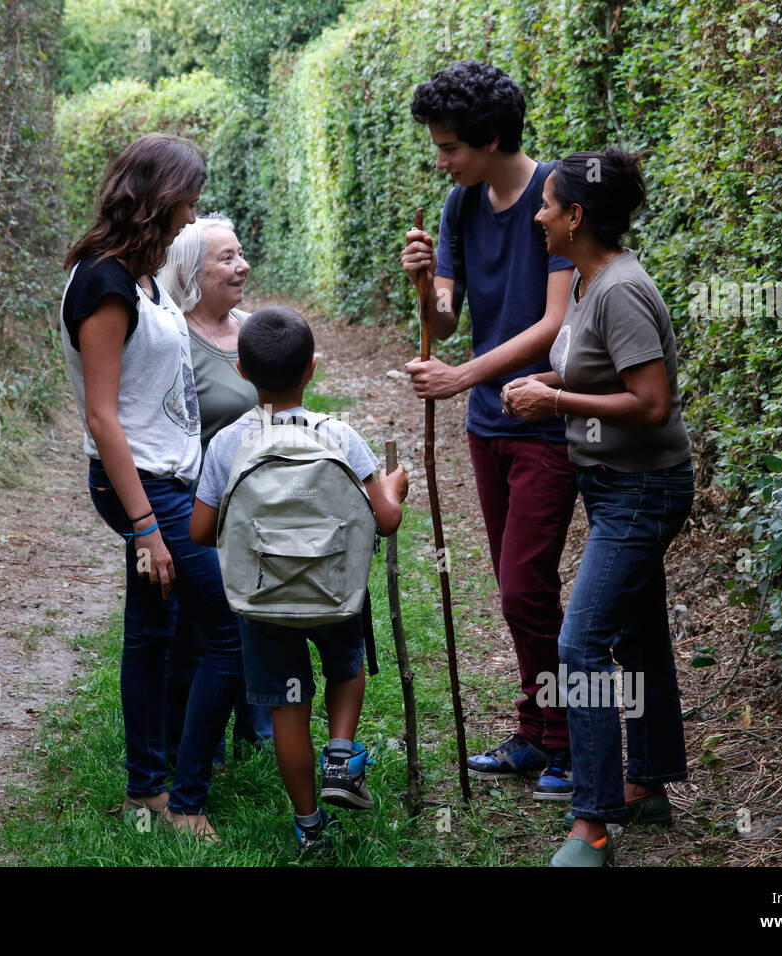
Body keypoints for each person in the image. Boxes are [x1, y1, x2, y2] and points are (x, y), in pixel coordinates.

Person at [505, 146, 694, 867]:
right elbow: (594, 372)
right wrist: (543, 389)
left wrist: (552, 399)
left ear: (576, 216)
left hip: (643, 492)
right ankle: (645, 785)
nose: (539, 213)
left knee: (580, 643)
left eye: (548, 203)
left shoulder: (619, 289)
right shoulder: (588, 284)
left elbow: (651, 403)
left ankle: (593, 823)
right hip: (616, 487)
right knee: (637, 638)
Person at [401, 59, 578, 800]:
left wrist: (466, 375)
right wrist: (423, 282)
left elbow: (554, 323)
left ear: (494, 136)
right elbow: (447, 318)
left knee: (522, 586)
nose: (441, 160)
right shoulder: (458, 205)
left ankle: (570, 739)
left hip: (546, 421)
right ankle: (538, 735)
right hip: (487, 425)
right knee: (518, 587)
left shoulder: (559, 198)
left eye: (451, 148)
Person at [58, 133, 242, 842]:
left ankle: (147, 791)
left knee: (153, 633)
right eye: (188, 201)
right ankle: (186, 801)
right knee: (227, 630)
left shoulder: (140, 274)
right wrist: (144, 528)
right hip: (142, 486)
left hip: (167, 475)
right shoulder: (101, 282)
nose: (193, 217)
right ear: (160, 199)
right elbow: (103, 416)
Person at [189, 306, 408, 854]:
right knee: (345, 667)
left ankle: (309, 826)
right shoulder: (339, 435)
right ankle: (340, 753)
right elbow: (386, 519)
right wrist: (395, 487)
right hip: (334, 591)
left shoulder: (226, 445)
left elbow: (198, 531)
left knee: (287, 705)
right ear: (312, 369)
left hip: (264, 601)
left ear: (240, 369)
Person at [157, 215, 272, 764]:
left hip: (259, 511)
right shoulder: (173, 340)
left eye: (241, 253)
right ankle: (189, 747)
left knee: (256, 621)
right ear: (190, 272)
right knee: (196, 635)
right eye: (226, 258)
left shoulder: (254, 331)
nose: (242, 265)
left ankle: (257, 732)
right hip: (198, 512)